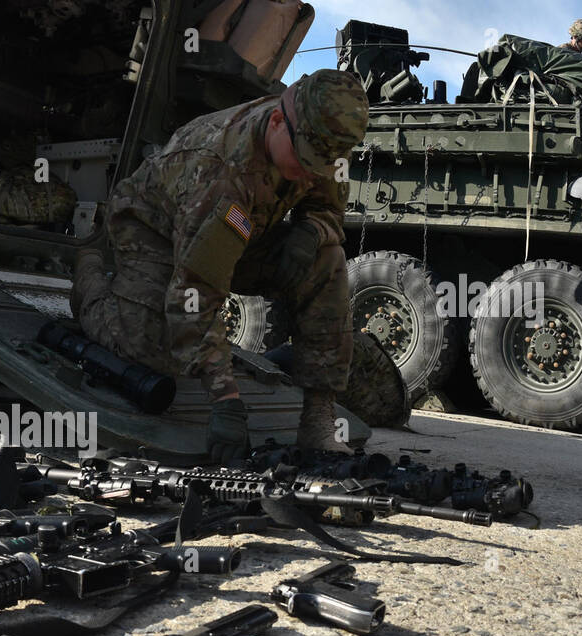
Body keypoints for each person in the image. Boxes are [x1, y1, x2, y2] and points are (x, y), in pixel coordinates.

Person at [70, 69, 370, 460]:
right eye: (305, 161)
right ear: (277, 122)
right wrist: (226, 399)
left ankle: (318, 420)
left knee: (326, 258)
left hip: (242, 229)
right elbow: (194, 293)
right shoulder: (220, 171)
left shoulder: (321, 139)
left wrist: (310, 231)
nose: (313, 172)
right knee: (153, 350)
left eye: (323, 163)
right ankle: (87, 279)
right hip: (152, 231)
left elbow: (328, 207)